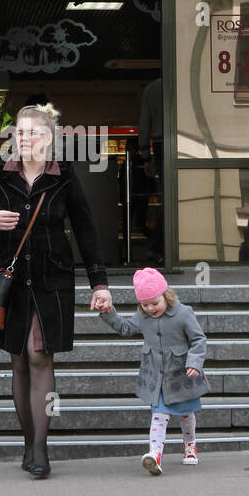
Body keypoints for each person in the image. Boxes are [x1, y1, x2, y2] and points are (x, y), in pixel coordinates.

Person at [0, 102, 112, 479]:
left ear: (48, 139)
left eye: (32, 132)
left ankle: (41, 448)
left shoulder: (64, 175)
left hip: (53, 280)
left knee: (40, 357)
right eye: (19, 132)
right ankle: (28, 441)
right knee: (18, 360)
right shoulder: (0, 171)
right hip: (11, 282)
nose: (24, 138)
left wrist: (100, 283)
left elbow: (85, 229)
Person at [98, 267, 208, 475]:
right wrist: (108, 312)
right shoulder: (143, 316)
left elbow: (198, 339)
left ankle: (190, 443)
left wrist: (194, 362)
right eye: (145, 304)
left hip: (181, 375)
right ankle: (155, 455)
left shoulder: (184, 313)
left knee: (185, 414)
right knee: (159, 415)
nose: (150, 308)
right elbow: (124, 327)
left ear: (166, 295)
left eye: (154, 303)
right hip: (156, 377)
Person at [138, 76, 164, 264]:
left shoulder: (152, 89)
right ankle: (159, 247)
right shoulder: (183, 84)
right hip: (186, 141)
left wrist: (146, 156)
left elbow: (144, 124)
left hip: (160, 142)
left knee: (166, 198)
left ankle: (157, 248)